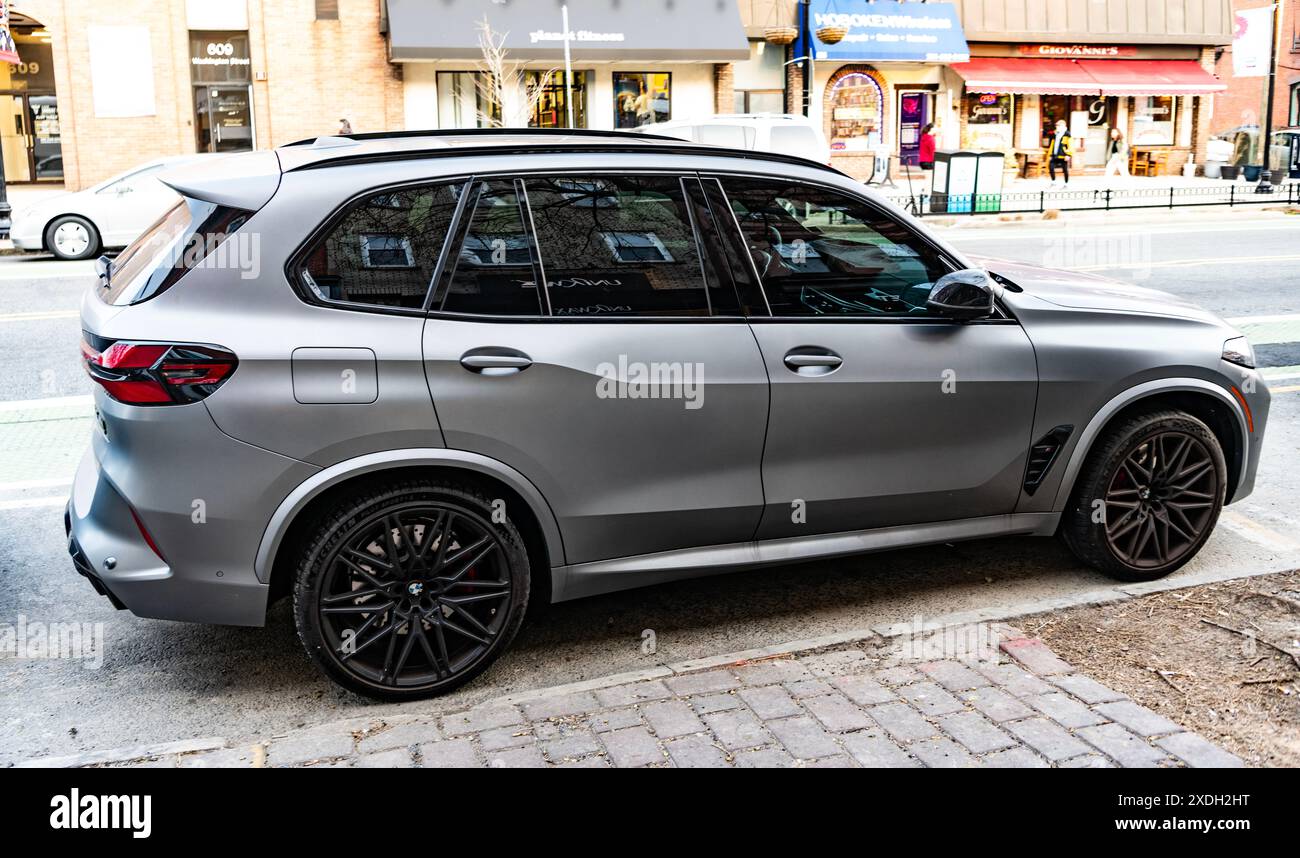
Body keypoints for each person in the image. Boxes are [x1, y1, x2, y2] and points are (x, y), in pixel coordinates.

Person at [1048, 120, 1072, 187]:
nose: (1057, 127)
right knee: (1051, 167)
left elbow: (1071, 145)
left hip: (1063, 156)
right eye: (1057, 125)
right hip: (1054, 155)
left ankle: (1066, 184)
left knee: (1065, 170)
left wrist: (1068, 155)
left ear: (1063, 126)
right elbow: (1052, 145)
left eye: (1059, 125)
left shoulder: (1067, 135)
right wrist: (1050, 154)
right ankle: (1053, 182)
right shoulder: (1055, 134)